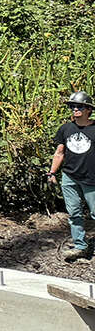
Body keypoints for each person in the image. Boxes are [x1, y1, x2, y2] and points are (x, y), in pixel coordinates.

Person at [53, 91, 95, 261]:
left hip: (92, 179)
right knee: (74, 213)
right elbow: (59, 152)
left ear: (88, 109)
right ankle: (80, 246)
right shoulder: (65, 128)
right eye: (72, 106)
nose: (75, 109)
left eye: (79, 106)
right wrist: (52, 172)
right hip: (69, 177)